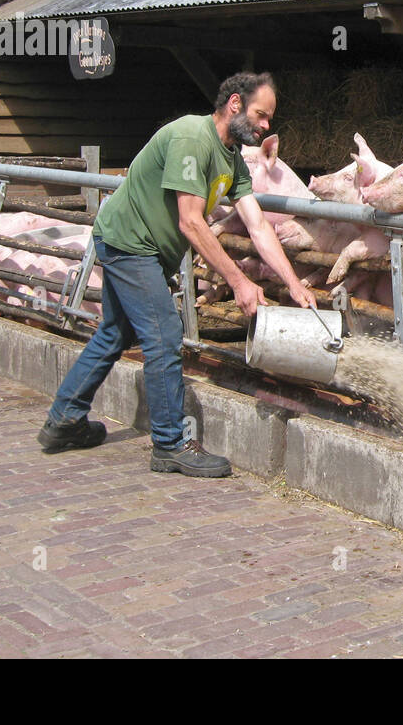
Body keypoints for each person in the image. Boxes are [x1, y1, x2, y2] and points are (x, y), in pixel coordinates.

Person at [37, 71, 316, 476]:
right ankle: (169, 443)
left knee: (116, 332)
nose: (266, 125)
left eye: (269, 118)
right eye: (261, 115)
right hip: (130, 243)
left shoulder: (233, 159)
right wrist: (238, 281)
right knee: (164, 334)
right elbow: (191, 222)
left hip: (141, 247)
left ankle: (64, 420)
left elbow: (258, 226)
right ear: (235, 104)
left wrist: (293, 285)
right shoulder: (192, 137)